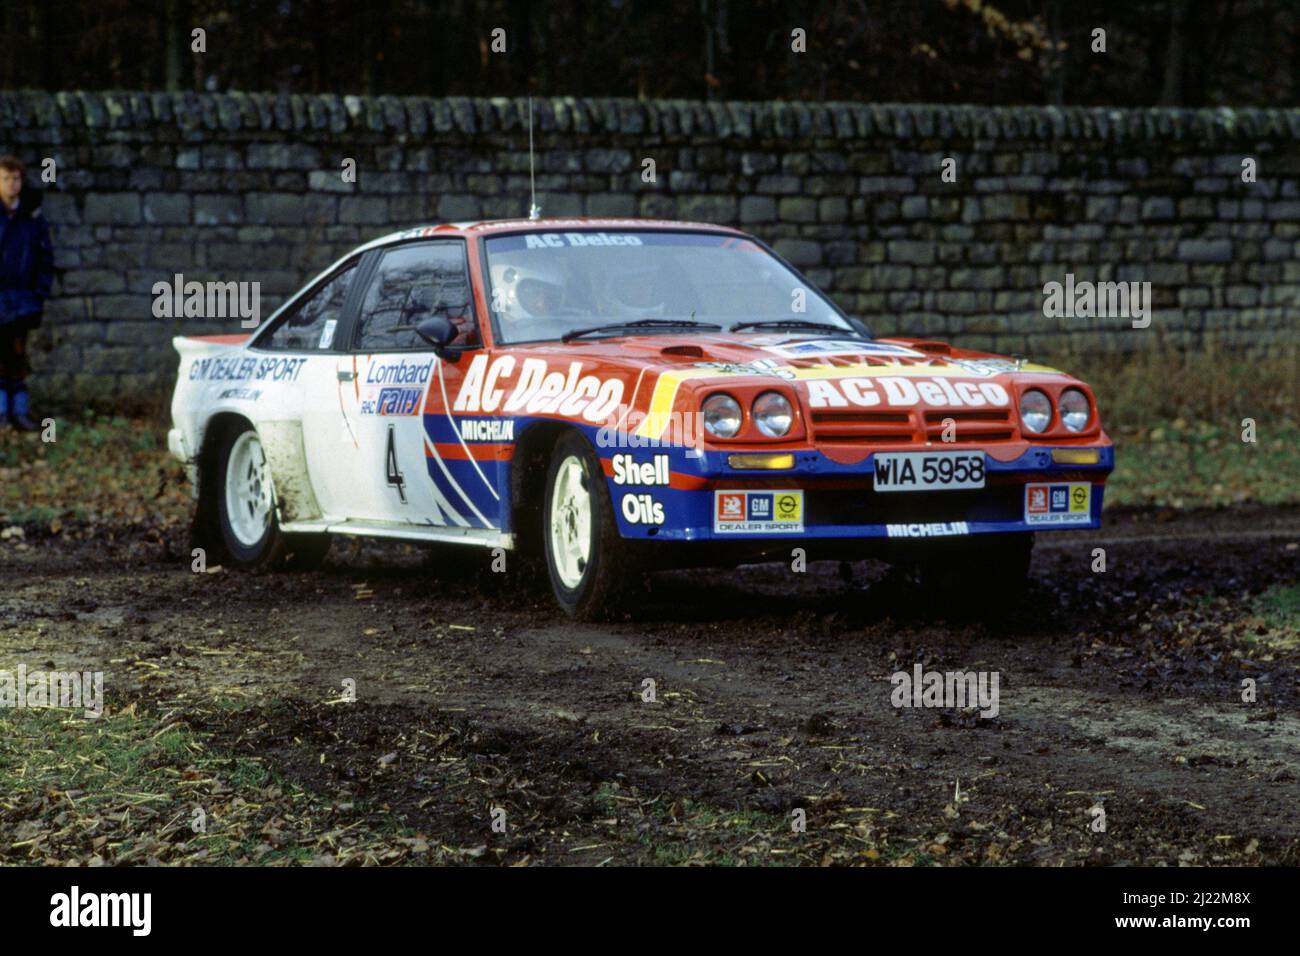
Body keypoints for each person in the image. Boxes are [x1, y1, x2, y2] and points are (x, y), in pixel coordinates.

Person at [0, 155, 54, 432]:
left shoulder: (32, 218)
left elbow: (45, 259)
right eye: (6, 179)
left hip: (22, 301)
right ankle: (1, 414)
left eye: (16, 179)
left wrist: (38, 294)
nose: (11, 184)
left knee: (17, 359)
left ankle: (19, 412)